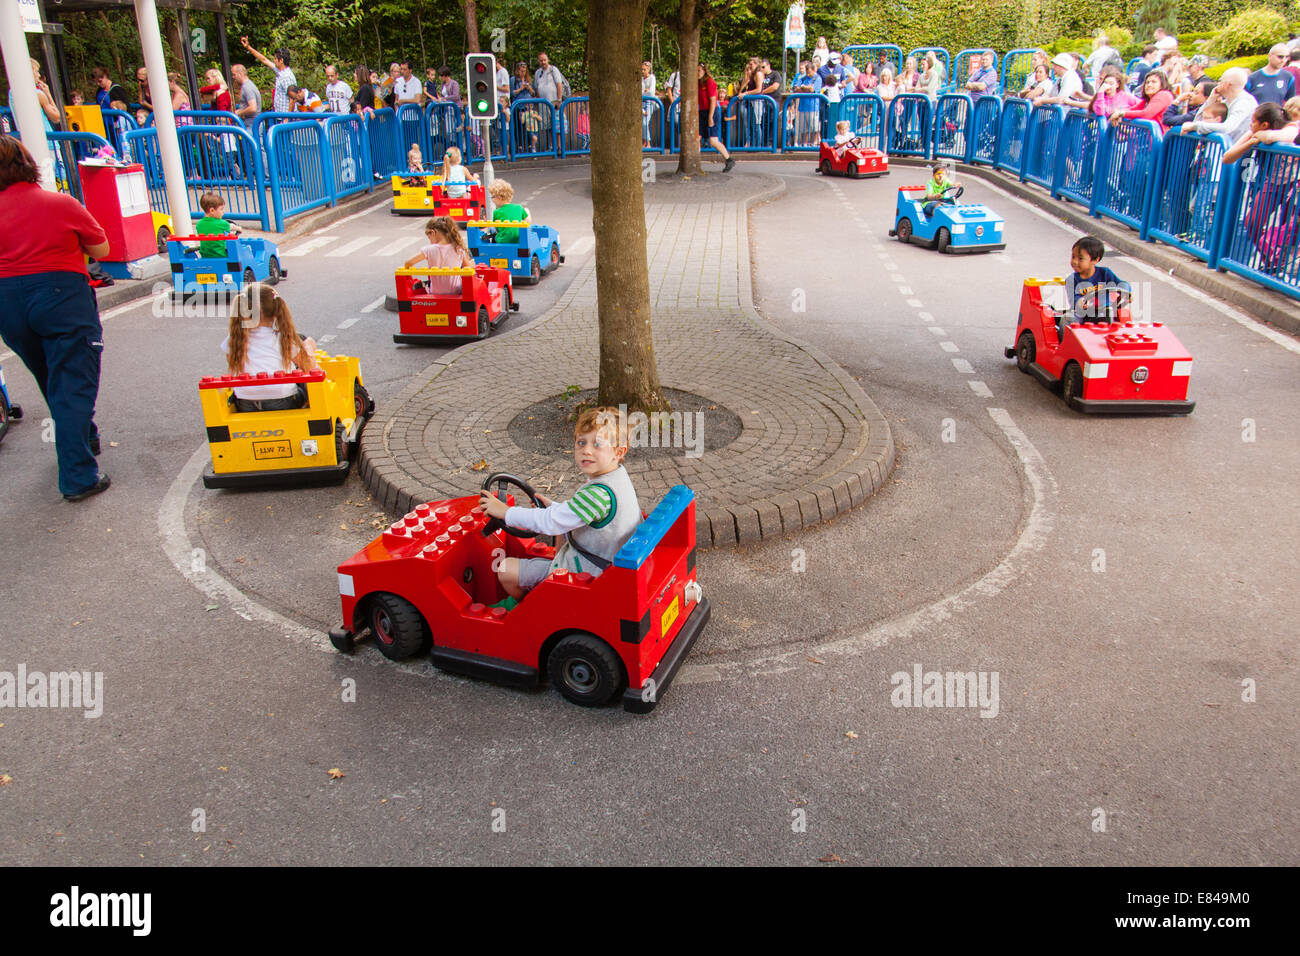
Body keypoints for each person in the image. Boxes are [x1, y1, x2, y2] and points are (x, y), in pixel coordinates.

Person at [0, 135, 112, 500]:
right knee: (73, 383)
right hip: (61, 294)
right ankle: (79, 477)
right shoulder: (58, 203)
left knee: (51, 377)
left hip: (7, 300)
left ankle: (85, 437)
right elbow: (101, 248)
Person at [481, 406, 641, 602]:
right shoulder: (616, 479)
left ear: (618, 452)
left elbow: (550, 523)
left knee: (505, 570)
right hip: (602, 566)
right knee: (557, 528)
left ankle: (535, 608)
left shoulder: (598, 494)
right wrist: (554, 507)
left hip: (585, 576)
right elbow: (575, 515)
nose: (587, 451)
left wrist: (506, 512)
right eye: (581, 443)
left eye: (597, 444)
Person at [220, 283, 318, 413]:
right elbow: (309, 367)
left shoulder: (234, 339)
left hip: (245, 403)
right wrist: (308, 347)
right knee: (303, 380)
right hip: (284, 401)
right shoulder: (283, 338)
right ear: (275, 312)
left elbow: (234, 363)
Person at [1064, 236, 1129, 326]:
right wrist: (1079, 301)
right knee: (1070, 318)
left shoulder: (1105, 273)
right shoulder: (1071, 279)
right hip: (1083, 314)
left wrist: (1127, 293)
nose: (1074, 261)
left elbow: (1122, 284)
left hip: (1105, 310)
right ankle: (1071, 338)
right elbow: (1073, 300)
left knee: (1124, 315)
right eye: (1073, 257)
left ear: (1095, 260)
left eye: (1080, 258)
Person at [403, 216, 474, 295]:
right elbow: (468, 268)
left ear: (433, 232)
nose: (430, 241)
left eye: (429, 237)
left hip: (435, 292)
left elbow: (408, 263)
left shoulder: (428, 250)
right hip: (456, 291)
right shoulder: (458, 249)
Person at [1185, 67, 1258, 143]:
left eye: (1220, 81)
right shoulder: (1226, 101)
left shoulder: (1244, 102)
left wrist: (1195, 126)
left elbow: (1227, 128)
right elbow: (1198, 120)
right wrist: (1210, 100)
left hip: (1236, 151)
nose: (1217, 84)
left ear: (1226, 84)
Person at [239, 37, 295, 113]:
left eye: (275, 59)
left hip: (285, 116)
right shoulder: (279, 71)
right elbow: (264, 60)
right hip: (279, 114)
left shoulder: (287, 76)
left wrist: (287, 118)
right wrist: (248, 47)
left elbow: (292, 99)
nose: (274, 61)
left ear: (281, 60)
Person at [698, 61, 735, 172]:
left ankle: (729, 159)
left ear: (704, 71)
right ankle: (695, 163)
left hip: (712, 111)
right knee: (697, 138)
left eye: (699, 70)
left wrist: (710, 117)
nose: (697, 73)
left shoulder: (709, 82)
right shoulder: (697, 83)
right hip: (702, 111)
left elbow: (713, 100)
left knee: (713, 141)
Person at [195, 191, 240, 258]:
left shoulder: (199, 224)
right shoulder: (222, 223)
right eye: (221, 209)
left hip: (205, 256)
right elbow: (232, 226)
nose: (223, 212)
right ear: (212, 211)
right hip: (221, 256)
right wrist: (239, 228)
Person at [487, 179, 529, 243]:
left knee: (492, 230)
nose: (492, 200)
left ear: (499, 197)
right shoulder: (519, 207)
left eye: (493, 197)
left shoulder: (497, 212)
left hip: (502, 241)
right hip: (518, 240)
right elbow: (526, 220)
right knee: (526, 211)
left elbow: (497, 228)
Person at [791, 60, 820, 147]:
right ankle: (804, 143)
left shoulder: (817, 78)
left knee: (814, 127)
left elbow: (813, 90)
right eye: (807, 72)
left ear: (814, 70)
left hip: (813, 106)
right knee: (804, 127)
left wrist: (803, 88)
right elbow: (796, 88)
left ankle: (814, 142)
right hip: (802, 106)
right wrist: (805, 88)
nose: (808, 74)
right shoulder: (803, 78)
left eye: (809, 72)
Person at [641, 61, 657, 148]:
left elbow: (651, 92)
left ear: (648, 69)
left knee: (645, 123)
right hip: (641, 103)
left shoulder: (652, 78)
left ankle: (648, 142)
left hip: (649, 103)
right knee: (643, 123)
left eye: (644, 69)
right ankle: (645, 141)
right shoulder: (641, 80)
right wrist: (645, 91)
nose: (643, 71)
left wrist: (644, 92)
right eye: (642, 69)